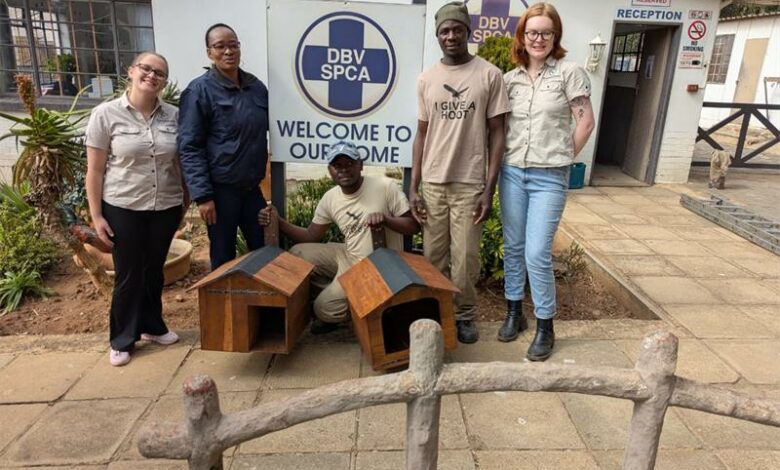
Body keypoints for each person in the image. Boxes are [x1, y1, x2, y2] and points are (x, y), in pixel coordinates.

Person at [499, 3, 595, 361]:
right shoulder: (509, 80)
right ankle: (514, 313)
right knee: (514, 246)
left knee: (537, 252)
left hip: (549, 177)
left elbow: (585, 122)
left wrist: (561, 157)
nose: (538, 39)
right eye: (532, 32)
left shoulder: (569, 74)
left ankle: (544, 325)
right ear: (522, 37)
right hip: (511, 172)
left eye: (546, 33)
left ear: (556, 37)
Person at [410, 1, 510, 344]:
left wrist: (488, 188)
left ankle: (464, 315)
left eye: (457, 29)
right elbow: (421, 133)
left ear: (468, 32)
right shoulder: (427, 78)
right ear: (437, 36)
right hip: (434, 182)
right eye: (444, 31)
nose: (450, 36)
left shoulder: (489, 75)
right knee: (433, 257)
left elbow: (498, 132)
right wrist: (413, 186)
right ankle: (437, 314)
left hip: (470, 182)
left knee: (465, 257)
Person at [85, 52, 186, 367]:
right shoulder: (106, 114)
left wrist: (184, 201)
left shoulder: (175, 116)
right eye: (146, 68)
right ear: (131, 71)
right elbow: (95, 171)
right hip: (123, 206)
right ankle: (122, 338)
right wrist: (97, 215)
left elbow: (182, 163)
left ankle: (152, 326)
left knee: (153, 270)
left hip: (165, 206)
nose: (152, 76)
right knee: (128, 273)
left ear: (164, 82)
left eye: (160, 73)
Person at [258, 141, 419, 334]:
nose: (343, 170)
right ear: (330, 170)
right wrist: (278, 221)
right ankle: (345, 291)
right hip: (349, 256)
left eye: (349, 164)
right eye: (337, 165)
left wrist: (386, 220)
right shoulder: (331, 198)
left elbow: (413, 226)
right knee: (297, 254)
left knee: (324, 309)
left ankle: (357, 303)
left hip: (380, 266)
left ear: (360, 165)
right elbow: (311, 236)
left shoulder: (386, 186)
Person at [178, 23, 269, 270]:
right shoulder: (199, 91)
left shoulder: (256, 88)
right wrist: (203, 196)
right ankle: (224, 308)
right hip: (220, 194)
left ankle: (262, 309)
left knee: (266, 252)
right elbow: (189, 147)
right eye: (220, 46)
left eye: (233, 45)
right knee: (223, 258)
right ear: (210, 53)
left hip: (252, 190)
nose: (228, 51)